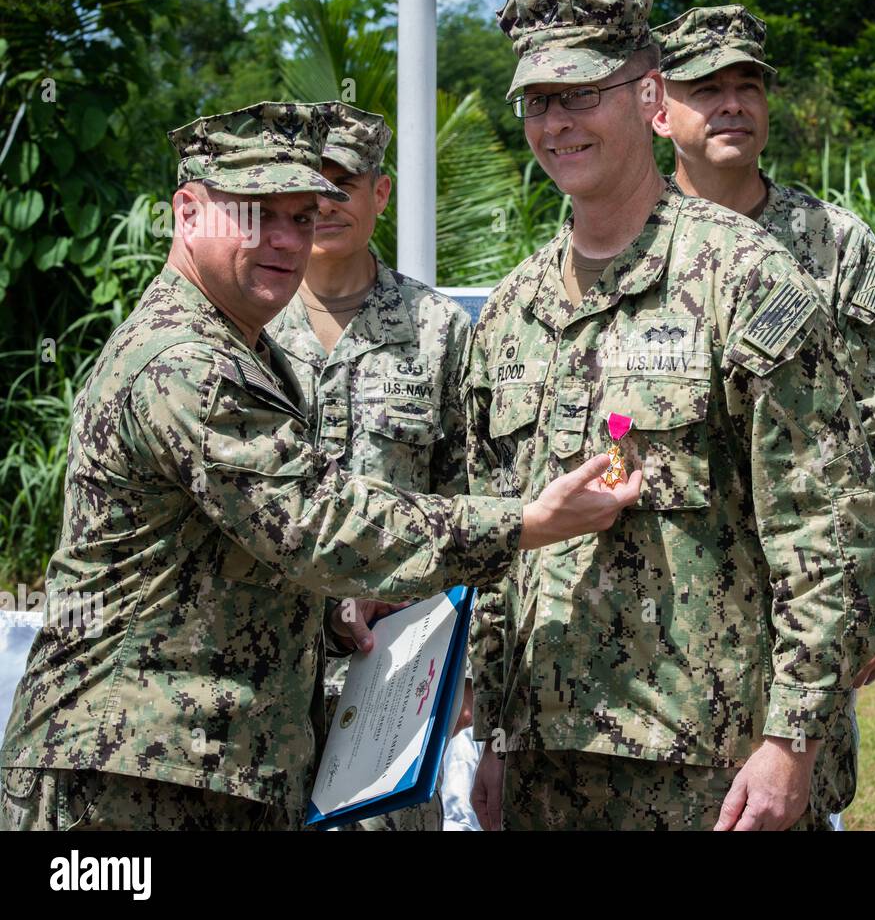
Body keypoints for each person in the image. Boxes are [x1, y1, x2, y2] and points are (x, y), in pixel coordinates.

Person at [0, 102, 641, 832]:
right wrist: (528, 521)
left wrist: (338, 616)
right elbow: (316, 522)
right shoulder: (186, 361)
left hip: (211, 769)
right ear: (187, 211)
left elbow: (235, 559)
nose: (284, 240)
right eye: (255, 214)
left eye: (301, 217)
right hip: (123, 780)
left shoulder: (247, 348)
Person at [466, 0, 875, 832]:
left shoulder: (745, 276)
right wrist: (494, 728)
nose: (559, 123)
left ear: (650, 95)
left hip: (713, 767)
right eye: (539, 101)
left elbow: (830, 527)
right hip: (546, 767)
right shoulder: (510, 311)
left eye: (583, 93)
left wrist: (792, 740)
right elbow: (495, 539)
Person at [652, 4, 875, 817]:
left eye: (748, 85)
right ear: (658, 105)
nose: (733, 103)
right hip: (658, 625)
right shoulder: (633, 245)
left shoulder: (835, 245)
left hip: (800, 614)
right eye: (707, 87)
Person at [266, 102, 462, 831]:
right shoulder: (245, 325)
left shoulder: (437, 331)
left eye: (343, 183)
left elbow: (471, 507)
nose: (323, 203)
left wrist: (470, 681)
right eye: (305, 187)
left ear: (381, 194)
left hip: (394, 684)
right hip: (264, 686)